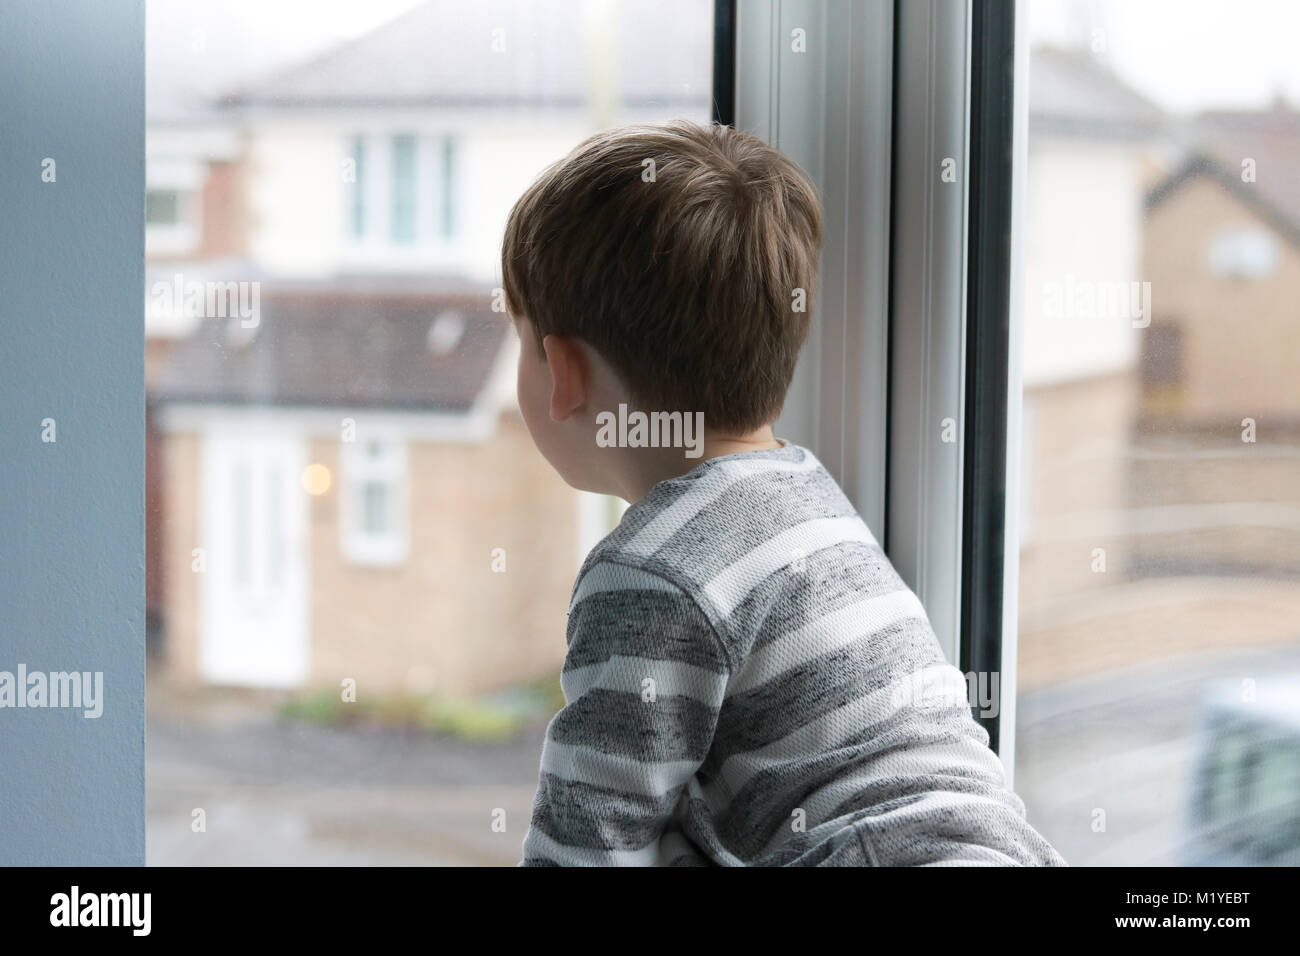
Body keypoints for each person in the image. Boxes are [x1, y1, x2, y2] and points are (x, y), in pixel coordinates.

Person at [500, 119, 1066, 866]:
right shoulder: (807, 499)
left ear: (562, 374)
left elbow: (587, 844)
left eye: (517, 338)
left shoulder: (650, 573)